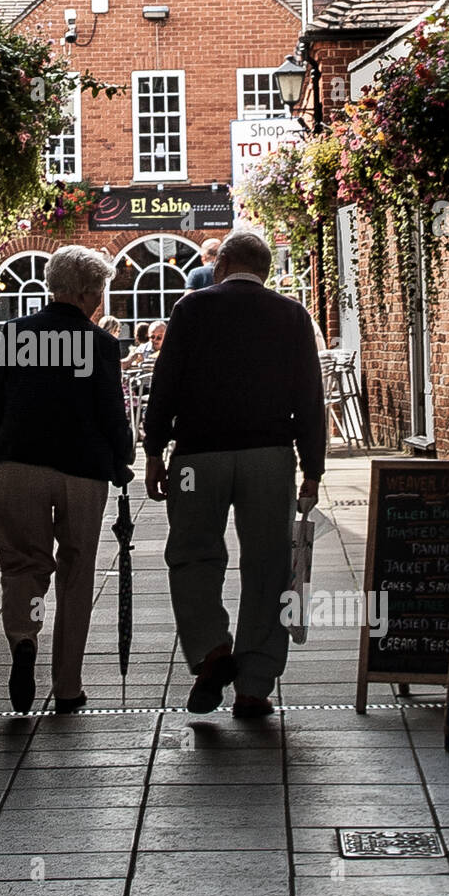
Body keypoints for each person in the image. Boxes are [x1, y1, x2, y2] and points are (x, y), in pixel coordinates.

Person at [143, 229, 325, 720]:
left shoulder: (190, 309)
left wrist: (154, 450)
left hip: (197, 460)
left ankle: (211, 651)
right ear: (264, 270)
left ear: (220, 265)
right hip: (269, 456)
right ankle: (254, 685)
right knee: (268, 564)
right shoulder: (291, 314)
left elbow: (166, 383)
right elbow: (310, 397)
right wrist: (313, 467)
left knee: (192, 554)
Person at [0, 246, 133, 715]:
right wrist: (124, 460)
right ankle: (67, 687)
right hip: (82, 472)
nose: (101, 299)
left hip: (18, 466)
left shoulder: (17, 335)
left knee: (23, 567)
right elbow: (111, 413)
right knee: (77, 575)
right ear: (85, 293)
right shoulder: (99, 343)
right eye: (99, 290)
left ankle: (23, 639)